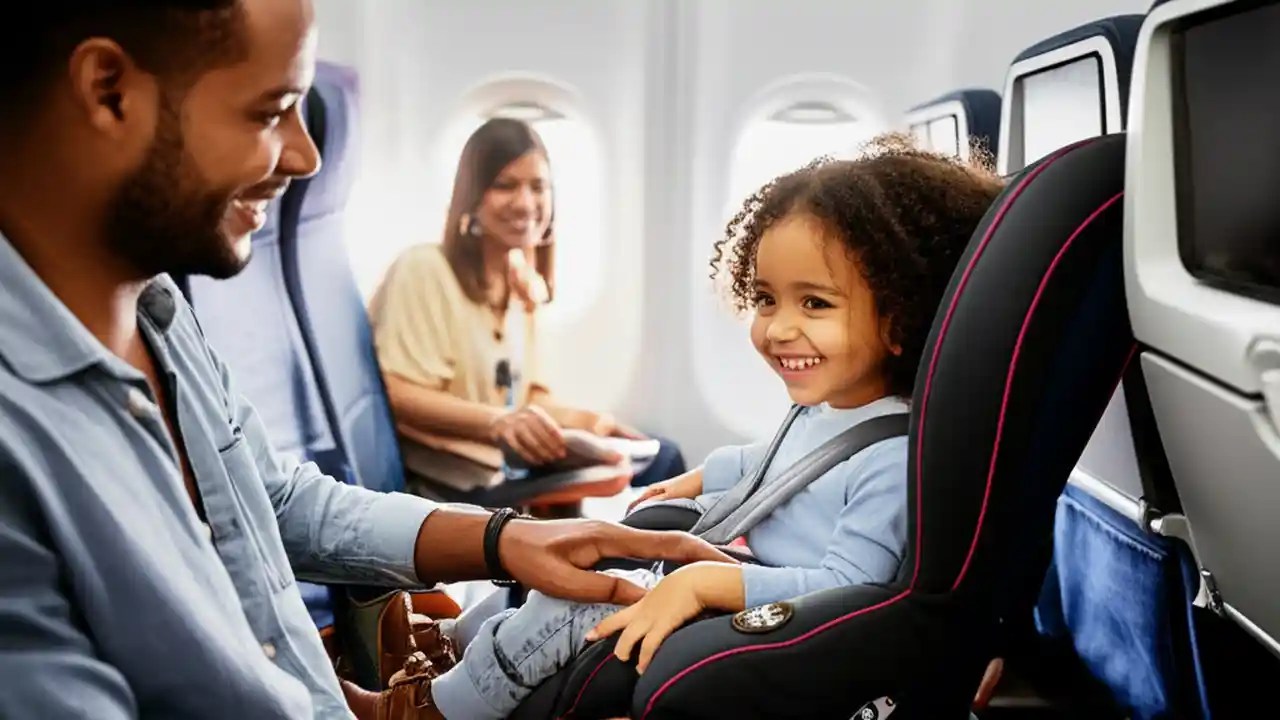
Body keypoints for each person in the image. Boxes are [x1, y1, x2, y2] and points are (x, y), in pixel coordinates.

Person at [0, 2, 732, 718]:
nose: (306, 156)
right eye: (268, 111)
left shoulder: (160, 313)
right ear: (108, 91)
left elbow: (278, 503)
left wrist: (506, 540)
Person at [385, 136, 1006, 718]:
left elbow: (849, 592)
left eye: (814, 303)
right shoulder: (828, 409)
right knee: (583, 556)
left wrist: (711, 584)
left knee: (583, 602)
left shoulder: (889, 459)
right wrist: (698, 479)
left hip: (786, 621)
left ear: (901, 319)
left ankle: (435, 708)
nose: (778, 328)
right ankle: (449, 641)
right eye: (766, 298)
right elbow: (774, 460)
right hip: (748, 569)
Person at [367, 118, 685, 489]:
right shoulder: (424, 270)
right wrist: (498, 423)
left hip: (503, 463)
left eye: (538, 187)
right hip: (459, 475)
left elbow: (526, 396)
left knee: (662, 457)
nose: (525, 203)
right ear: (470, 195)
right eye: (505, 186)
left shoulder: (520, 284)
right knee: (662, 468)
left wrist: (590, 425)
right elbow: (398, 392)